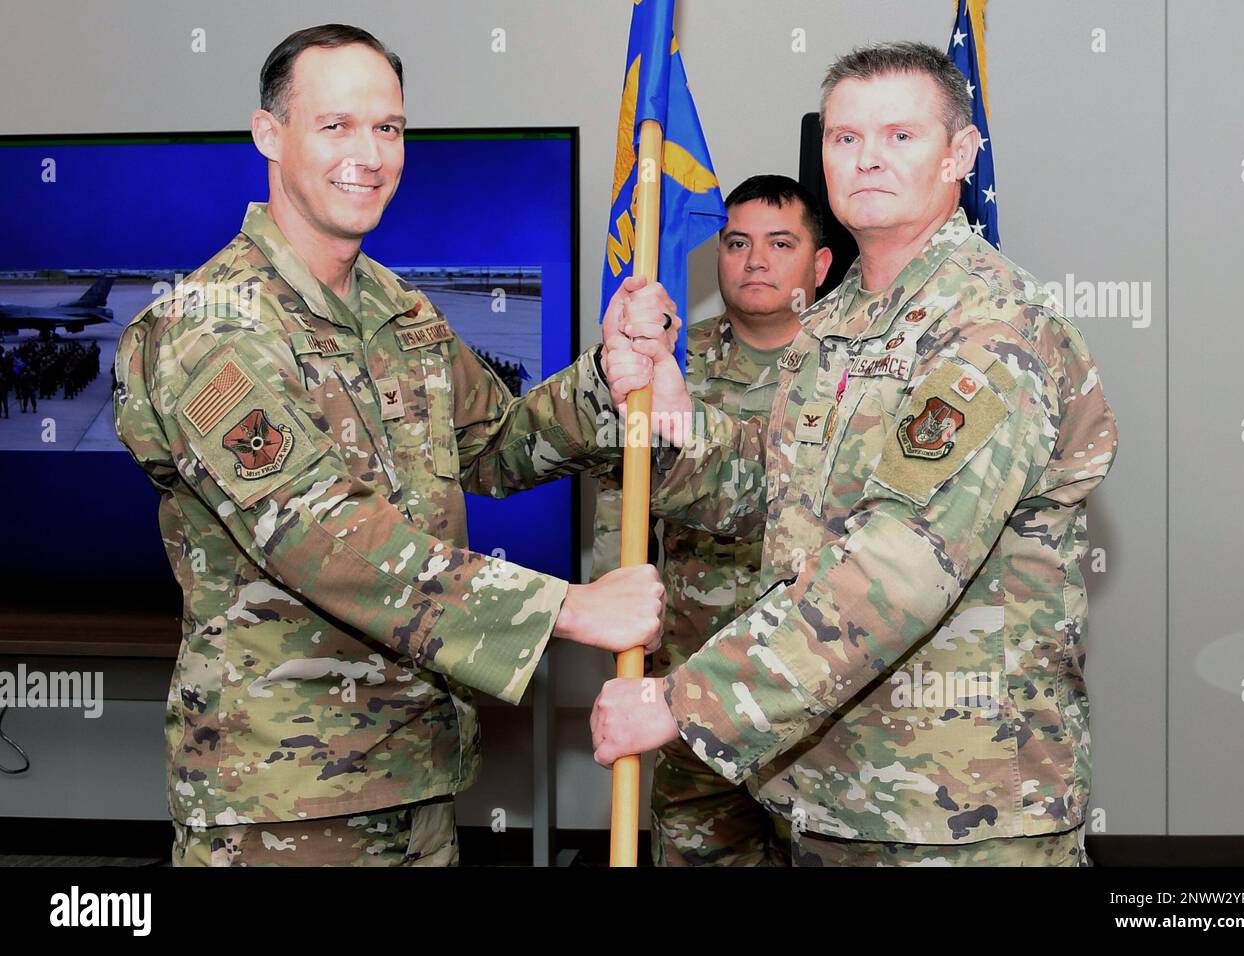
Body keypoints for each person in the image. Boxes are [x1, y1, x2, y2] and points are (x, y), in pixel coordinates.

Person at [113, 23, 672, 867]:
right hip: (286, 800)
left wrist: (607, 375)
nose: (369, 155)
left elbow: (498, 443)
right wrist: (568, 607)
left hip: (419, 775)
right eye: (336, 126)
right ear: (269, 134)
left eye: (389, 128)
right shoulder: (211, 329)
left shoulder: (400, 310)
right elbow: (321, 539)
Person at [591, 41, 1119, 866]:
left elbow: (898, 565)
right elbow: (775, 497)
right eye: (844, 138)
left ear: (960, 154)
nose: (868, 158)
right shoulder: (835, 325)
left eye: (900, 136)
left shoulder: (988, 326)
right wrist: (675, 419)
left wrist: (687, 699)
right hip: (839, 794)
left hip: (962, 814)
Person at [591, 174, 831, 866]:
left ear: (818, 266)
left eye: (779, 243)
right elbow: (622, 502)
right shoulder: (669, 366)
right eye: (737, 243)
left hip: (818, 705)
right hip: (690, 693)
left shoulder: (853, 371)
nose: (755, 261)